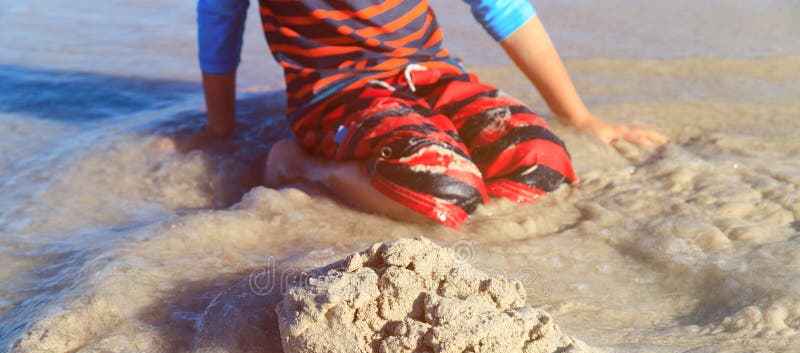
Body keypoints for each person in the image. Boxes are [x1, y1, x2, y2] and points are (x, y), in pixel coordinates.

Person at [197, 0, 667, 227]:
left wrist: (581, 118)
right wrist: (219, 131)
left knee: (541, 163)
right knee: (447, 193)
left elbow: (502, 8)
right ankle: (301, 164)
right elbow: (220, 17)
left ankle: (446, 151)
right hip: (338, 92)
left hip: (431, 75)